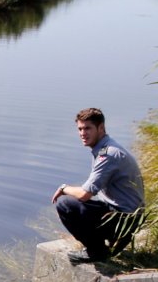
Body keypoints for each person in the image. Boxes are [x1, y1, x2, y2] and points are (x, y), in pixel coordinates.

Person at [51, 107, 145, 263]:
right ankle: (104, 246)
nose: (82, 133)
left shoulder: (107, 154)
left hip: (125, 220)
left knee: (65, 204)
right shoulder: (106, 148)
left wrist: (64, 188)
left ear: (101, 127)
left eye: (88, 128)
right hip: (126, 215)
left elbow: (84, 194)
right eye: (80, 129)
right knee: (79, 203)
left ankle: (97, 252)